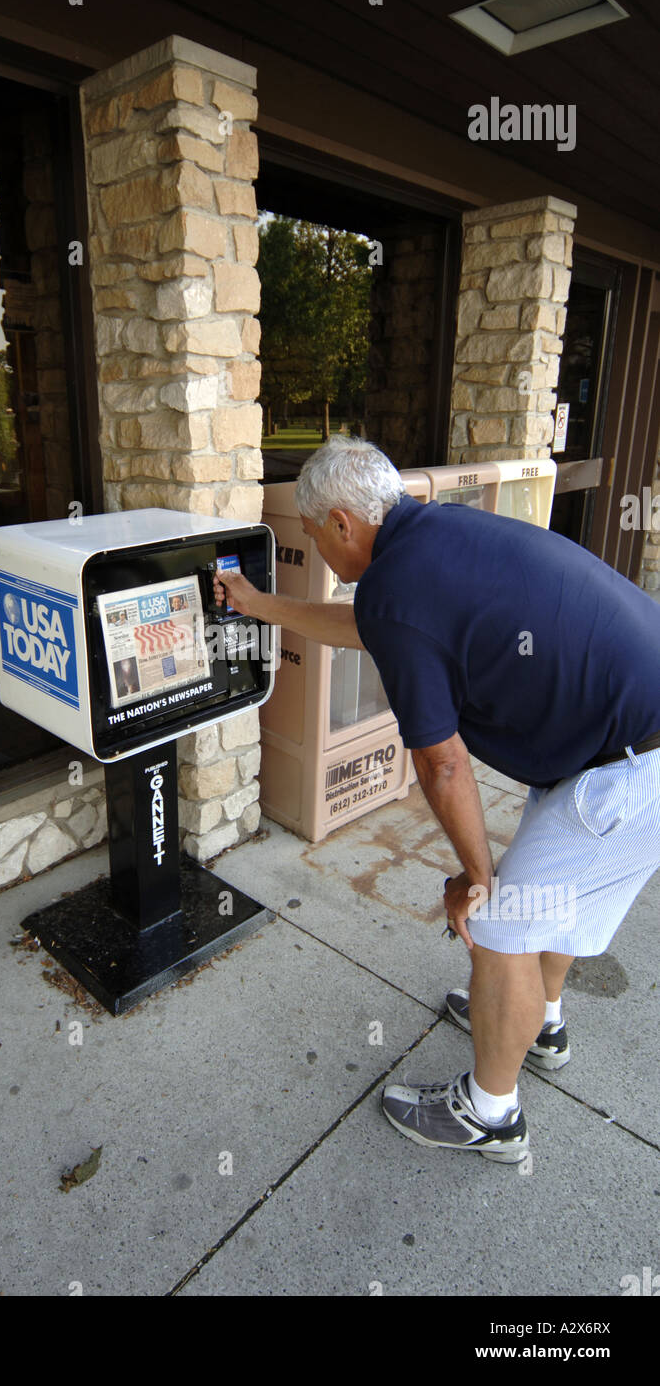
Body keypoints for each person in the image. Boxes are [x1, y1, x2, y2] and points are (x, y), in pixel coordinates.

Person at [213, 434, 660, 1164]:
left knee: (501, 925)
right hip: (624, 738)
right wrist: (262, 604)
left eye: (312, 532)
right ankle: (538, 1024)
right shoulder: (436, 532)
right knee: (544, 900)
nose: (318, 549)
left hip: (631, 769)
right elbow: (372, 627)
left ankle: (492, 1114)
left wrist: (477, 878)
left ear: (342, 525)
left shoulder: (396, 587)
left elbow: (442, 765)